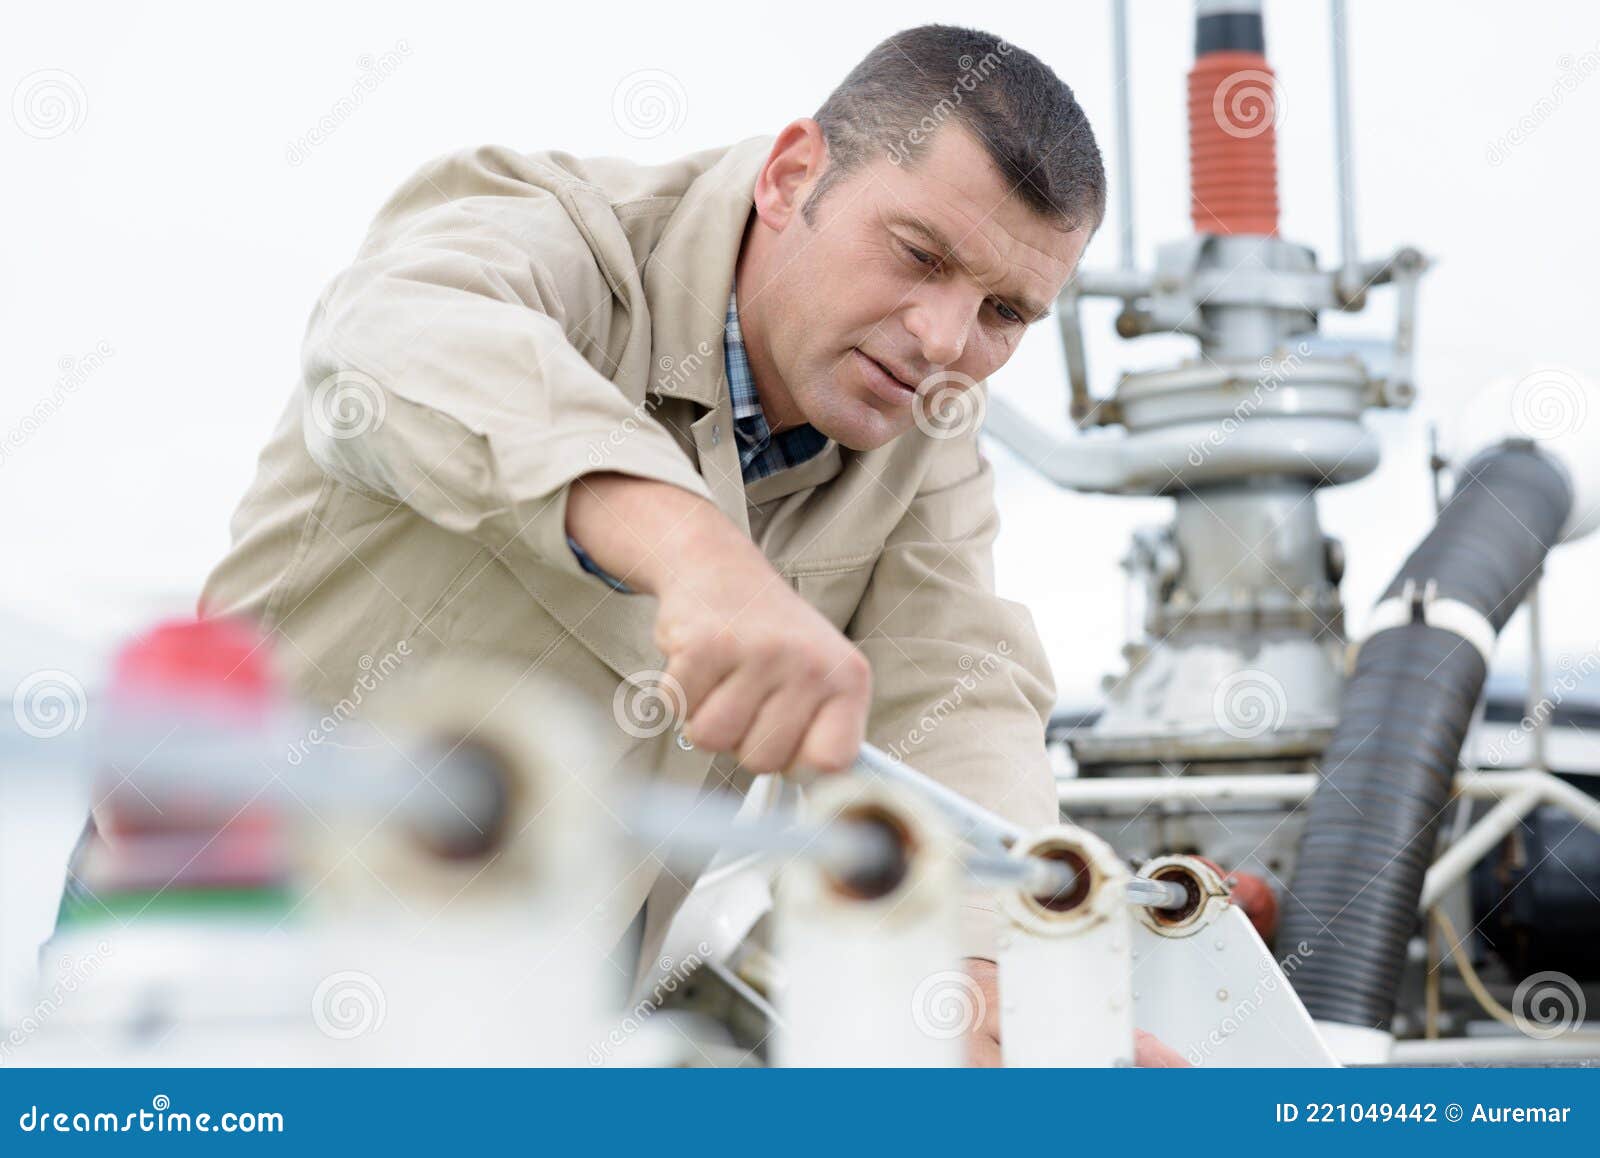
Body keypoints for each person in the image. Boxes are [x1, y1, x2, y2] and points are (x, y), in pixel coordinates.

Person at [201, 23, 1184, 1066]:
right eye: (918, 256)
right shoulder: (550, 233)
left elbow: (951, 688)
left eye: (1003, 312)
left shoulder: (924, 430)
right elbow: (393, 346)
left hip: (534, 1039)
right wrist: (692, 552)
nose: (944, 342)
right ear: (793, 174)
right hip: (223, 975)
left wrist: (991, 971)